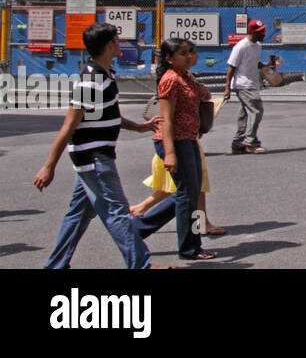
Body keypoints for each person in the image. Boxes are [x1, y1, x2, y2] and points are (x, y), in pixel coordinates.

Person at [34, 23, 163, 269]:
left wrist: (139, 127)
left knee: (79, 213)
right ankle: (140, 265)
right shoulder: (91, 81)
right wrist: (48, 167)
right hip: (93, 158)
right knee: (117, 211)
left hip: (92, 158)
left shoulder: (104, 75)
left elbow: (102, 117)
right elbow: (69, 126)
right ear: (109, 45)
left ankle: (56, 266)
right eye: (117, 39)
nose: (120, 43)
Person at [133, 38, 216, 260]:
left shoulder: (187, 77)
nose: (189, 56)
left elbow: (201, 101)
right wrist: (169, 153)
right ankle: (189, 248)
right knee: (187, 195)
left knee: (189, 194)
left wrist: (203, 93)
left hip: (188, 139)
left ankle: (138, 229)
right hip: (175, 141)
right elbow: (166, 120)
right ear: (169, 59)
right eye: (183, 54)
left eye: (190, 51)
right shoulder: (170, 80)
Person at [131, 145, 225, 236]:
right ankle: (201, 223)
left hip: (185, 140)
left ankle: (140, 209)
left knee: (190, 183)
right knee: (191, 185)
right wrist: (170, 153)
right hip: (179, 142)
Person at [225, 19, 268, 154]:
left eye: (263, 31)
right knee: (257, 111)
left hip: (252, 83)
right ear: (252, 32)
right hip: (243, 84)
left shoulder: (258, 46)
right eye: (260, 32)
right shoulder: (241, 46)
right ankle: (251, 143)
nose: (263, 34)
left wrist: (267, 68)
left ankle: (237, 144)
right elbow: (232, 68)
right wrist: (227, 87)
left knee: (243, 113)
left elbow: (255, 62)